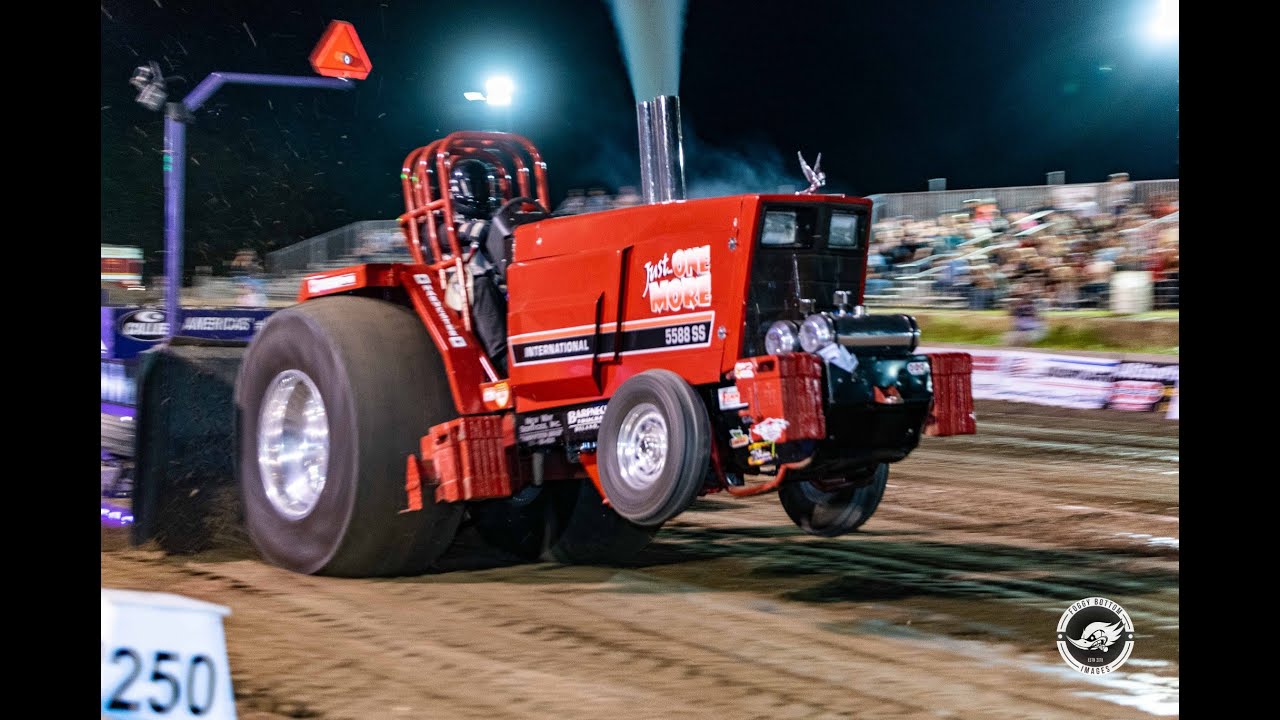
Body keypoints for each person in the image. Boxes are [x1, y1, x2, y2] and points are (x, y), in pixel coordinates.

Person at [435, 158, 511, 376]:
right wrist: (473, 230)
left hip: (497, 280)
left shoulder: (493, 216)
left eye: (484, 185)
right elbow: (446, 234)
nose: (482, 191)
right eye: (475, 185)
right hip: (461, 287)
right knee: (482, 286)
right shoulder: (445, 220)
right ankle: (503, 362)